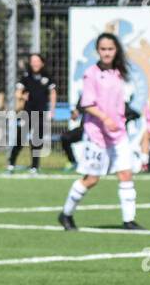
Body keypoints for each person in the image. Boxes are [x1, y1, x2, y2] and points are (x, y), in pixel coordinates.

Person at [59, 33, 144, 230]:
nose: (107, 53)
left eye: (110, 49)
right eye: (103, 49)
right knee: (91, 179)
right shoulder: (91, 73)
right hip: (97, 134)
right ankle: (66, 214)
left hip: (118, 133)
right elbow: (86, 104)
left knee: (125, 174)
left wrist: (120, 118)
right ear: (98, 50)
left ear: (116, 51)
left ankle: (129, 220)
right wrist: (105, 118)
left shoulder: (119, 73)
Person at [9, 53, 56, 173]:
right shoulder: (26, 77)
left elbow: (53, 94)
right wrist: (22, 97)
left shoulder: (47, 77)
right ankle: (11, 163)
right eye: (33, 61)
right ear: (30, 63)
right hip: (27, 113)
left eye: (37, 61)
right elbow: (18, 92)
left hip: (41, 113)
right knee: (20, 139)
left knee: (37, 140)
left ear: (42, 63)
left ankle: (35, 166)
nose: (35, 63)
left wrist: (52, 110)